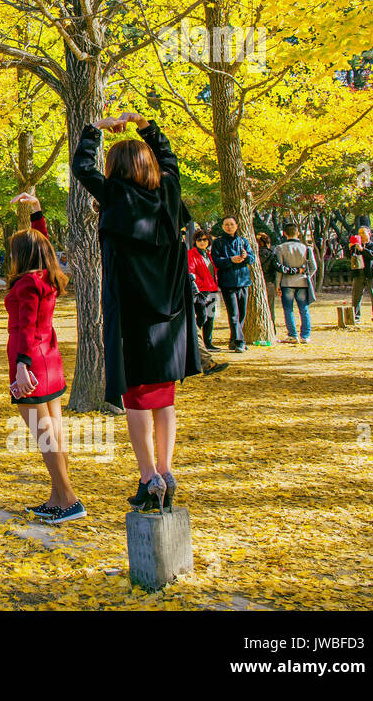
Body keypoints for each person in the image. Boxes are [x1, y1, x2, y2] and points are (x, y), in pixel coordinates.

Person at [72, 111, 198, 513]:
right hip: (171, 317)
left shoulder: (114, 195)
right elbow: (171, 161)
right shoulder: (170, 194)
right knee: (164, 399)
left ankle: (149, 477)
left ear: (117, 170)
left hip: (132, 316)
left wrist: (97, 129)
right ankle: (166, 469)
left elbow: (81, 166)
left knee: (137, 400)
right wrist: (146, 127)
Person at [6, 192, 83, 523]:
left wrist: (21, 366)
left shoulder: (26, 284)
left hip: (31, 362)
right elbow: (45, 246)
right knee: (54, 431)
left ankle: (68, 498)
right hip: (49, 358)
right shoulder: (46, 278)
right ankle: (57, 495)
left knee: (44, 435)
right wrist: (37, 213)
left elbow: (24, 327)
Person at [211, 215, 253, 352]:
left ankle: (234, 340)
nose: (229, 227)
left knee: (242, 313)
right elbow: (216, 261)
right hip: (228, 283)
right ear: (223, 227)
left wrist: (245, 258)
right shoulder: (218, 242)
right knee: (233, 313)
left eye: (231, 224)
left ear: (236, 226)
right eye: (226, 225)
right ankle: (240, 341)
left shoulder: (243, 241)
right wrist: (230, 260)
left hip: (243, 281)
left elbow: (252, 258)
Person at [274, 223, 317, 343]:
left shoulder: (280, 248)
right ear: (298, 233)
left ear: (284, 233)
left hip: (287, 282)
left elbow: (279, 269)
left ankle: (293, 335)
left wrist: (278, 284)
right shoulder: (306, 248)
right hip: (302, 281)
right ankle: (305, 335)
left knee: (288, 309)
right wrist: (307, 276)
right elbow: (313, 267)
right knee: (304, 309)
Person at [187, 230, 220, 350]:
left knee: (210, 318)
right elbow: (191, 271)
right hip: (201, 291)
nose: (202, 242)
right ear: (195, 241)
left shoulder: (209, 255)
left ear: (208, 241)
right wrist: (199, 285)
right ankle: (195, 341)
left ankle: (208, 343)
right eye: (199, 240)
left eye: (205, 239)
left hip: (212, 290)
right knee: (202, 317)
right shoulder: (191, 254)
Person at [350, 228, 373, 324]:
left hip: (371, 275)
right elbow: (349, 257)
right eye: (359, 233)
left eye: (363, 233)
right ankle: (356, 317)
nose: (361, 235)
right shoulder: (356, 246)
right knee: (356, 297)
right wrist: (350, 248)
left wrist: (363, 249)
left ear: (369, 234)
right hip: (359, 274)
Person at [256, 232, 278, 338]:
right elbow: (276, 268)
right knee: (270, 308)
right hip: (269, 282)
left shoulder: (253, 255)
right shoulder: (271, 254)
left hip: (256, 284)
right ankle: (272, 330)